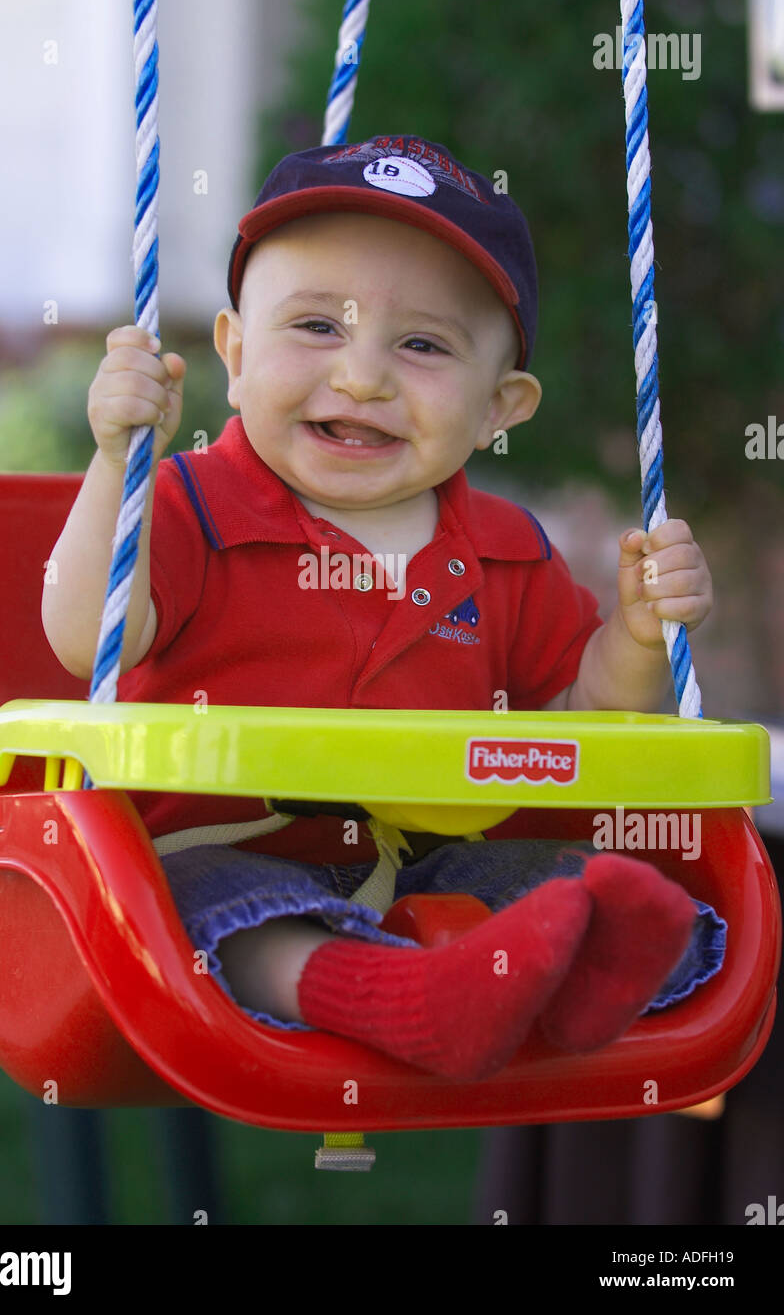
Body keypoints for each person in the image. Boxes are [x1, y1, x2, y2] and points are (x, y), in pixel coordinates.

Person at [42, 135, 724, 1084]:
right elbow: (86, 639)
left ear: (501, 405)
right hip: (209, 849)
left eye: (421, 345)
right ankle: (393, 995)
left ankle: (537, 987)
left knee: (586, 891)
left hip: (432, 858)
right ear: (235, 354)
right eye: (317, 327)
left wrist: (639, 637)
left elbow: (585, 718)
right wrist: (120, 462)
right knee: (228, 911)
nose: (362, 376)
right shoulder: (185, 504)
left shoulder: (506, 550)